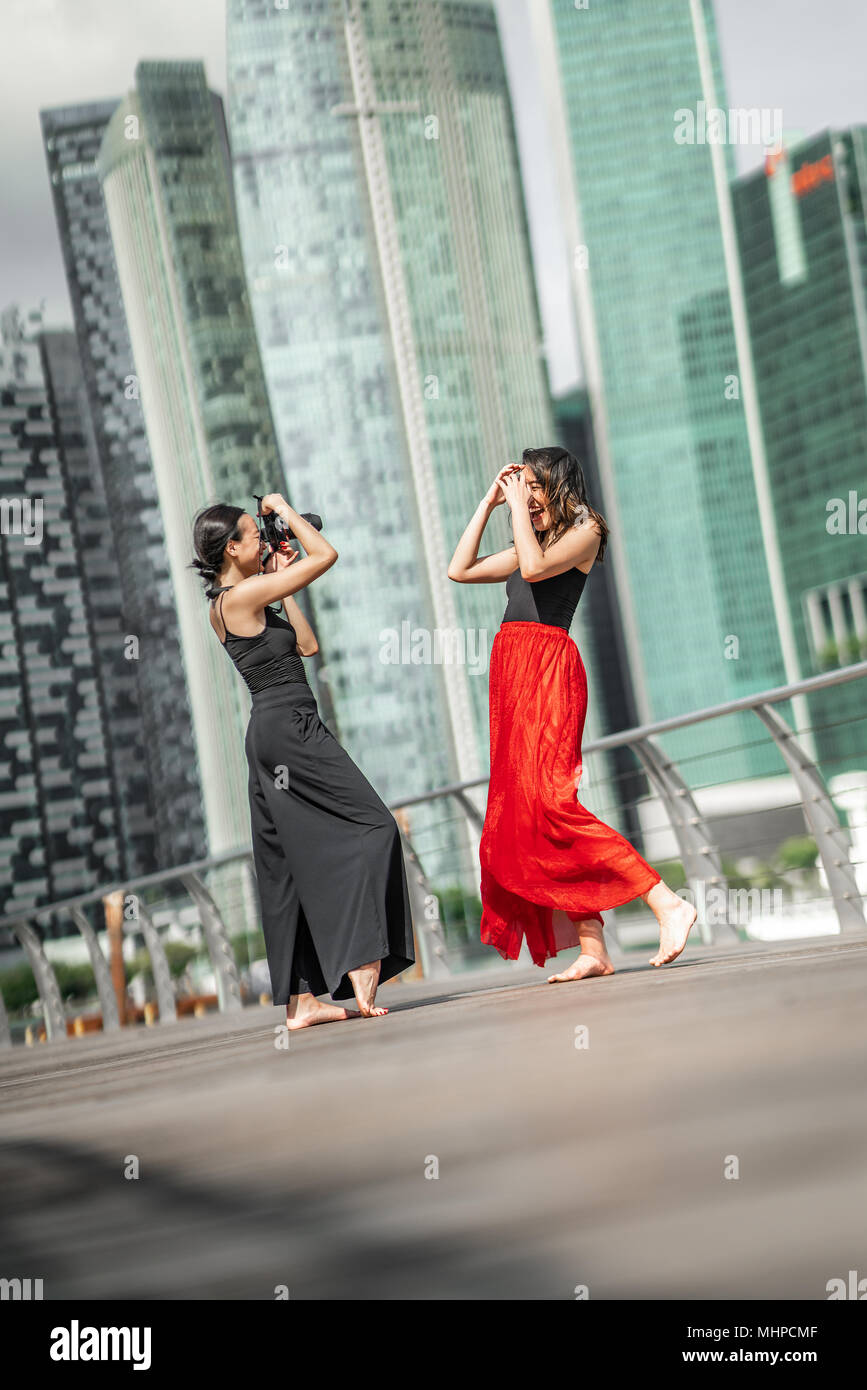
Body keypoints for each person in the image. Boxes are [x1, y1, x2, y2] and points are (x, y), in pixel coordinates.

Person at [448, 447, 696, 981]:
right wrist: (491, 501)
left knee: (553, 805)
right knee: (527, 814)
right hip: (512, 674)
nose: (526, 495)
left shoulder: (587, 529)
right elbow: (459, 569)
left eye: (533, 485)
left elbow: (536, 570)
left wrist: (516, 511)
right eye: (522, 487)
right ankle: (593, 948)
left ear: (556, 484)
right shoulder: (528, 535)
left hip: (548, 669)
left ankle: (665, 901)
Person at [190, 494, 415, 1027]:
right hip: (289, 730)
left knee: (282, 867)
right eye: (255, 533)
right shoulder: (237, 598)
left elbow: (307, 645)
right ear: (232, 548)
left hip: (275, 732)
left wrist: (284, 576)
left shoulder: (248, 597)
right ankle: (362, 960)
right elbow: (328, 555)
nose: (264, 538)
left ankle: (301, 1001)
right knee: (376, 824)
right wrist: (286, 510)